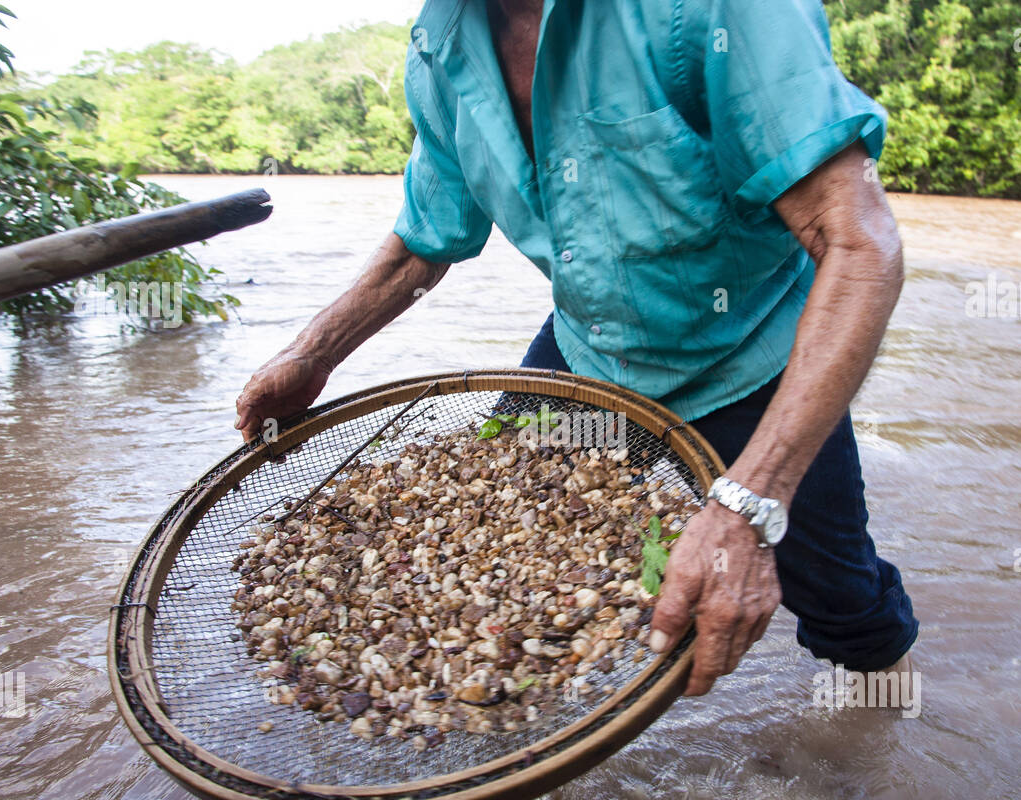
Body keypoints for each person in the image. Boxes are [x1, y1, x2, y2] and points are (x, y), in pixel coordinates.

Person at [235, 0, 918, 699]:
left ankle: (881, 756)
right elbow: (425, 243)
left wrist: (751, 503)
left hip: (751, 355)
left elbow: (862, 245)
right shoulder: (442, 45)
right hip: (586, 354)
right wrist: (315, 352)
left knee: (847, 612)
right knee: (499, 547)